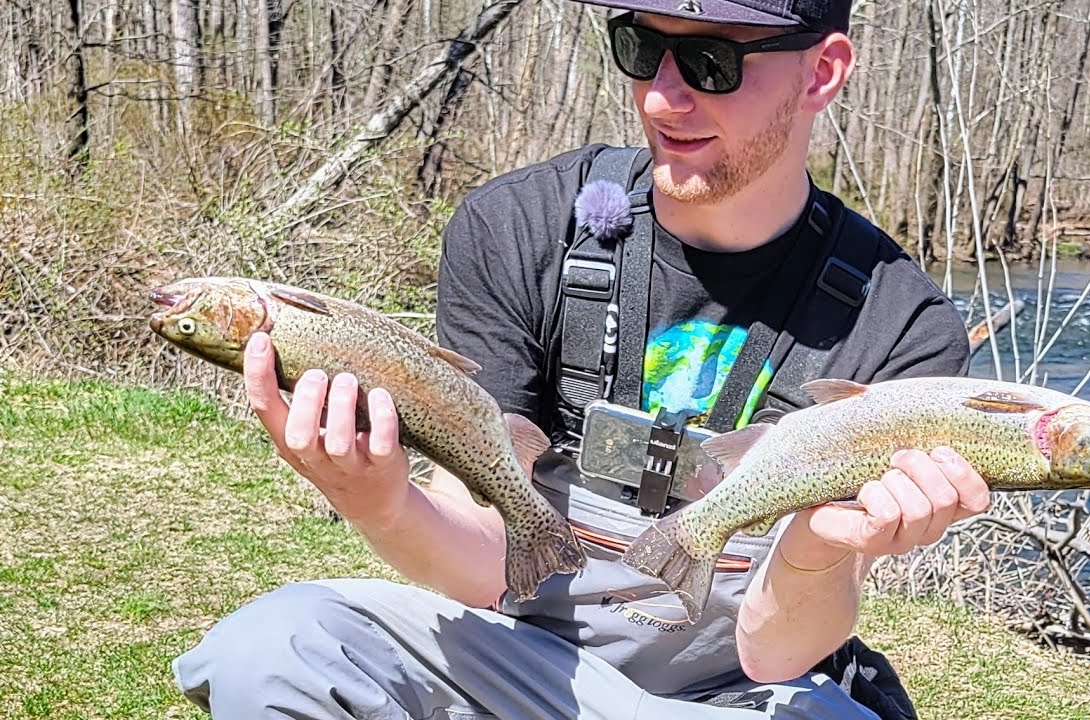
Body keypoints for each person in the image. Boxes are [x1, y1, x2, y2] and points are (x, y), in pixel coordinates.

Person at [172, 0, 992, 716]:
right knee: (273, 651)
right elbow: (487, 554)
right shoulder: (519, 228)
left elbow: (775, 651)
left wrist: (820, 546)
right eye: (640, 46)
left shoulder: (900, 325)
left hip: (742, 691)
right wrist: (379, 502)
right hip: (516, 663)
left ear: (823, 72)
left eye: (713, 62)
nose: (664, 97)